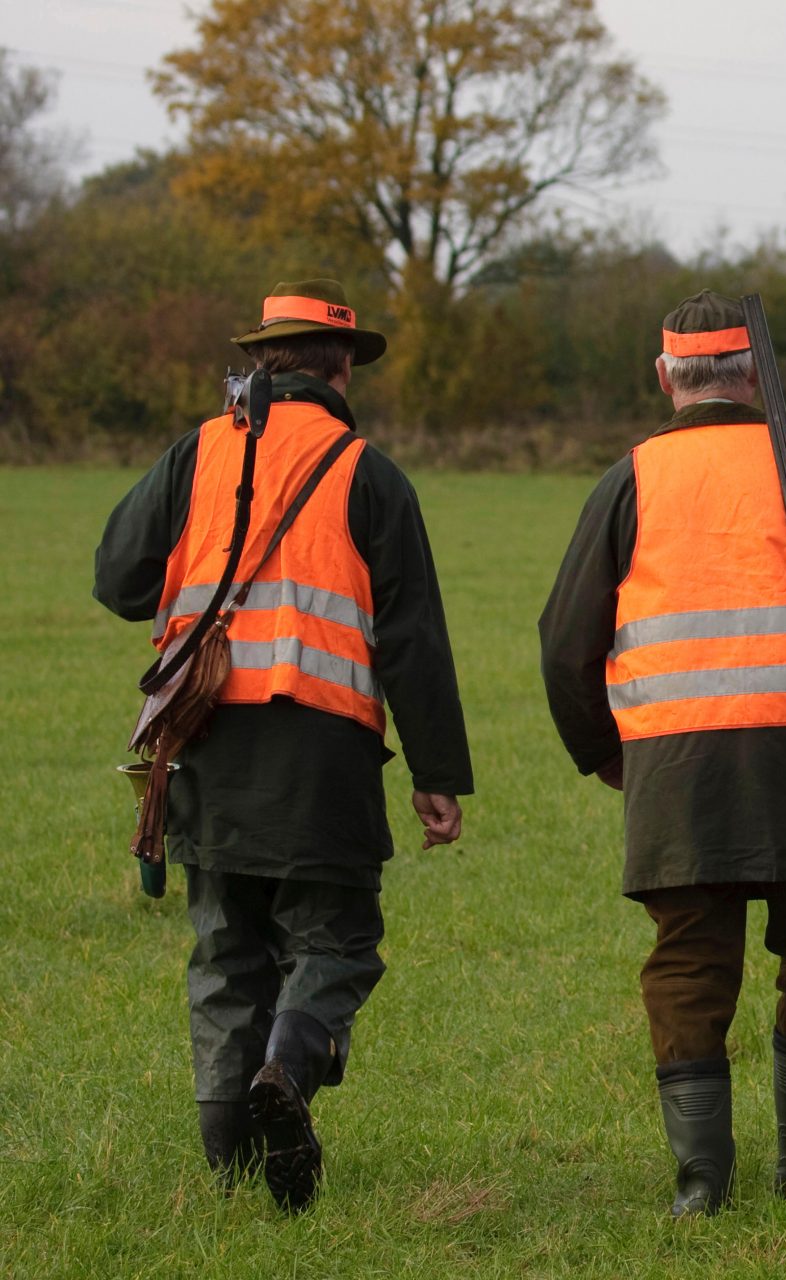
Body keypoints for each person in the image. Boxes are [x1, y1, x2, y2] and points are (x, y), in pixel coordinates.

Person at [93, 279, 473, 1213]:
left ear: (263, 360)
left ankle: (228, 1167)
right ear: (342, 367)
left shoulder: (198, 453)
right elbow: (412, 641)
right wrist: (438, 777)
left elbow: (117, 578)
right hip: (323, 753)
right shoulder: (368, 472)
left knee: (227, 953)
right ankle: (287, 1077)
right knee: (337, 942)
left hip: (208, 748)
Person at [538, 290, 786, 1217]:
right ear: (756, 375)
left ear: (667, 378)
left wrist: (607, 754)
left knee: (690, 958)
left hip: (674, 766)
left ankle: (702, 1182)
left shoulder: (629, 477)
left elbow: (562, 641)